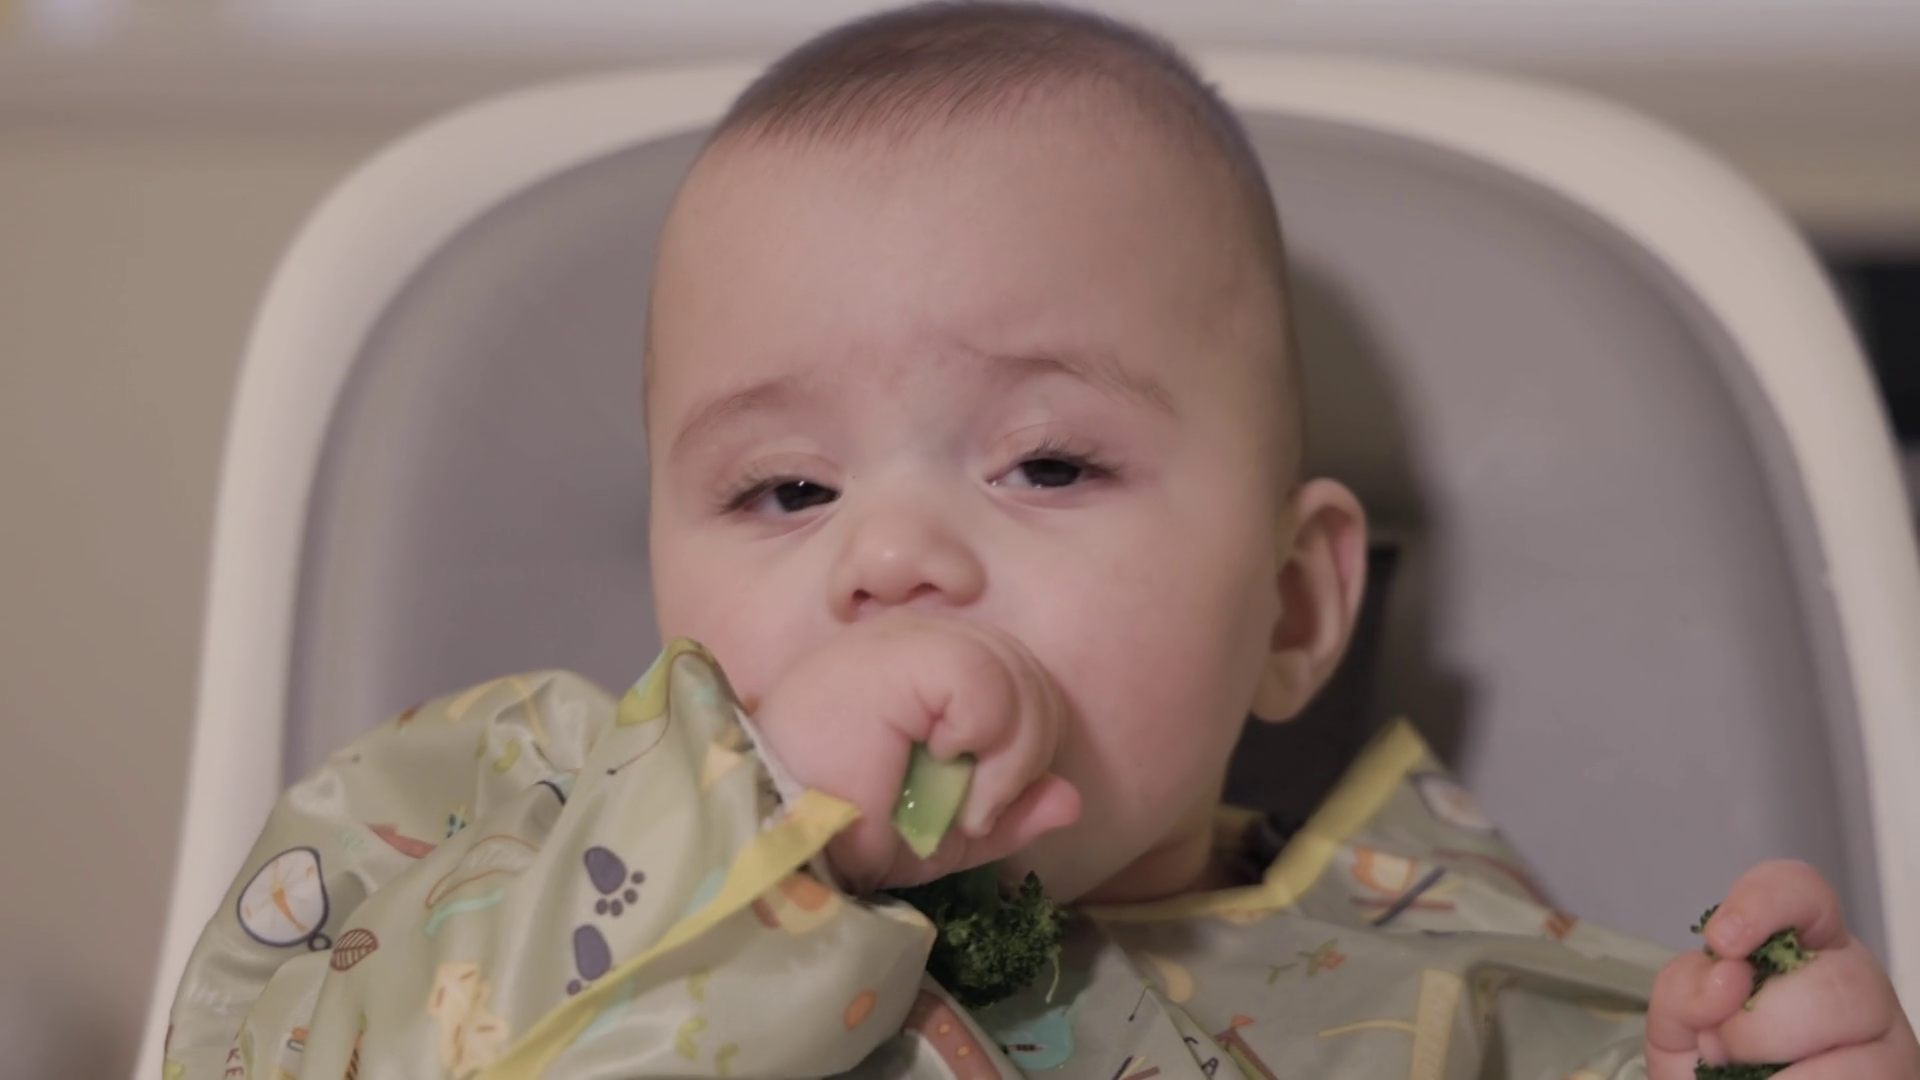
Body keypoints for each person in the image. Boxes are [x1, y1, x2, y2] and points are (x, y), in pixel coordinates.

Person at [163, 5, 1917, 1078]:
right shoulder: (497, 832)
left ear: (1296, 606)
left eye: (1051, 465)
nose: (892, 561)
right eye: (787, 492)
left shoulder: (1450, 975)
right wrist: (748, 832)